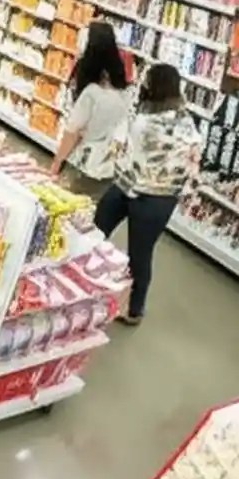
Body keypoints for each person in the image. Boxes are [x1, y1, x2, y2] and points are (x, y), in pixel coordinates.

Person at [97, 63, 201, 326]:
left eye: (147, 81)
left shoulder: (145, 119)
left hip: (145, 192)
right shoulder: (186, 122)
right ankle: (128, 303)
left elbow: (126, 145)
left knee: (111, 236)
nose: (143, 84)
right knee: (135, 249)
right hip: (149, 192)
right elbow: (192, 160)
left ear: (155, 86)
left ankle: (130, 306)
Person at [48, 22, 130, 194]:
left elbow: (73, 132)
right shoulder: (123, 94)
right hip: (106, 168)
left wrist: (56, 163)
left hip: (82, 164)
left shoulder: (91, 93)